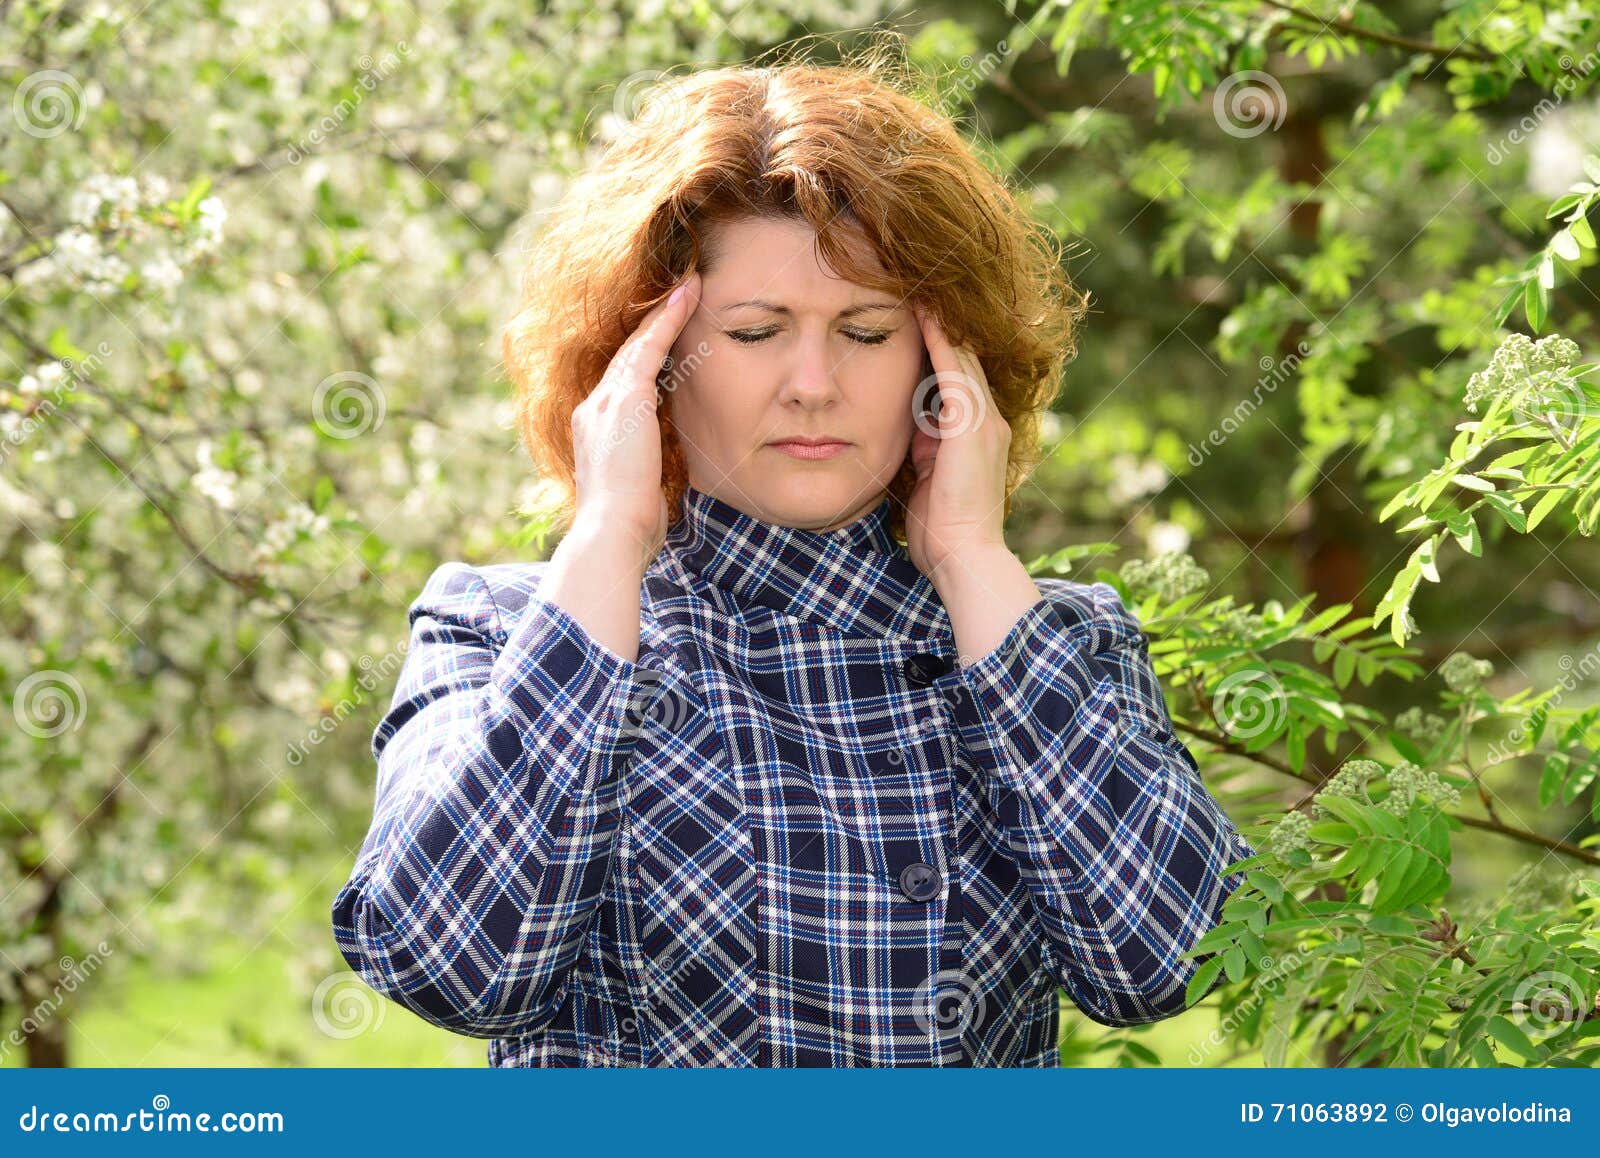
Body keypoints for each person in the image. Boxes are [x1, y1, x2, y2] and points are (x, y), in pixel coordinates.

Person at [330, 50, 1257, 1067]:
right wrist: (608, 536)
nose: (813, 383)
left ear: (948, 362)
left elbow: (1173, 966)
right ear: (644, 364)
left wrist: (969, 556)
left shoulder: (1057, 637)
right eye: (754, 332)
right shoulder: (500, 629)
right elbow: (450, 967)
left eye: (866, 331)